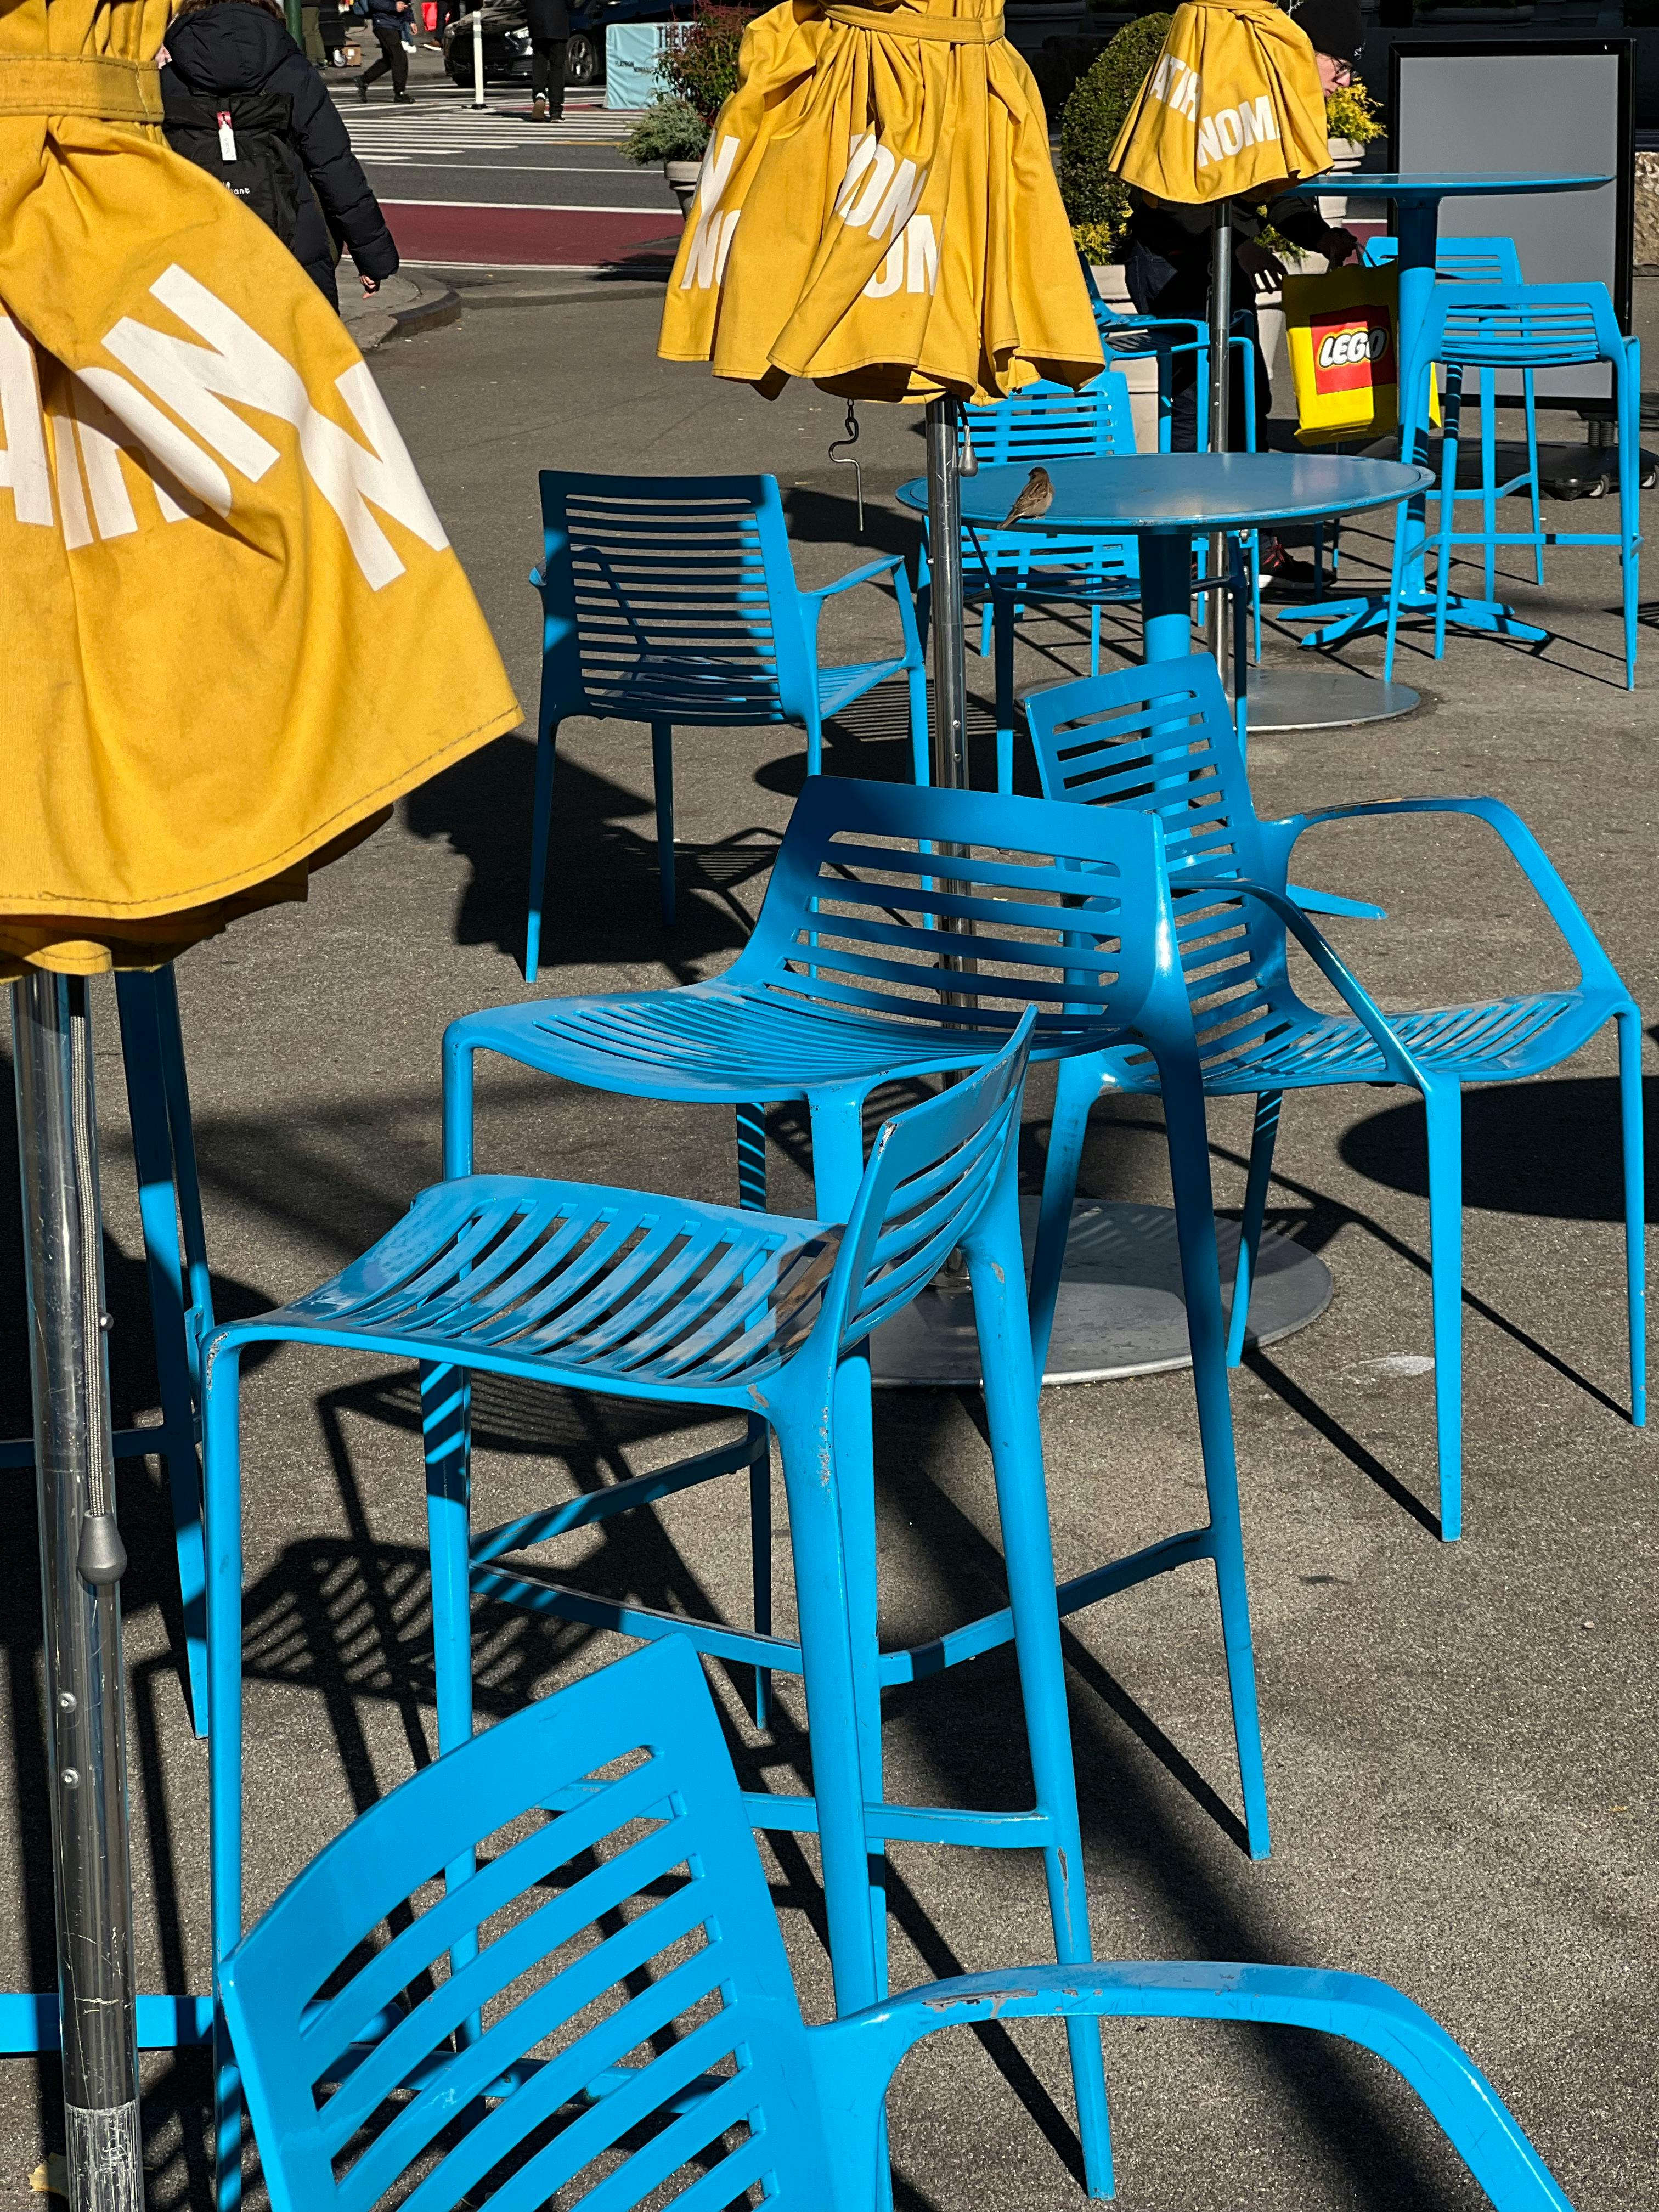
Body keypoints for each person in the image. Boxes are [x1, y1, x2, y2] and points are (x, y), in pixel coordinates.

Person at [1121, 0, 1366, 585]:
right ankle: (1181, 557)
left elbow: (1276, 193)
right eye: (1340, 63)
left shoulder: (1276, 96)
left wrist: (1320, 236)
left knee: (1247, 405)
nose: (1346, 80)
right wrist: (1234, 248)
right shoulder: (1225, 80)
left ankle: (1254, 550)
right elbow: (1175, 192)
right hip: (1176, 262)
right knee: (1197, 409)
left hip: (1219, 268)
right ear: (1303, 49)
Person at [161, 0, 400, 311]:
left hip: (197, 246)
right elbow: (334, 166)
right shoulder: (291, 71)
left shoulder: (169, 78)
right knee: (303, 347)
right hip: (292, 241)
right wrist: (372, 258)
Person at [356, 0, 414, 100]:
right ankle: (400, 92)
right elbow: (374, 2)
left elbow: (406, 3)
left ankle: (364, 79)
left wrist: (411, 21)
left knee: (390, 59)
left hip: (394, 23)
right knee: (399, 58)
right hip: (383, 23)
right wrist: (394, 6)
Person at [527, 0, 568, 121]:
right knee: (557, 67)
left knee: (539, 59)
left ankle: (539, 94)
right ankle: (556, 110)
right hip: (558, 20)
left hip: (537, 20)